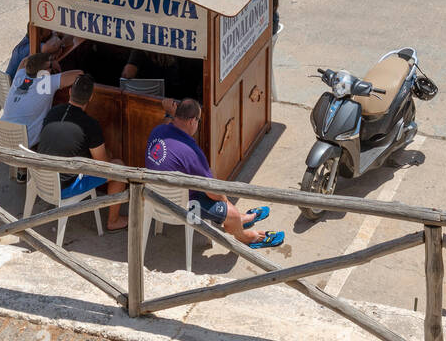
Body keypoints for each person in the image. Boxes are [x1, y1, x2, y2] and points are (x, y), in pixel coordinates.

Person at [145, 99, 284, 249]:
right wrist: (227, 205)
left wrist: (169, 114)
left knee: (212, 179)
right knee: (230, 213)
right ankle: (246, 237)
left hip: (153, 196)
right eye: (199, 120)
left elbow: (167, 122)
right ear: (192, 121)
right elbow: (213, 193)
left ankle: (243, 218)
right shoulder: (191, 152)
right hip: (179, 204)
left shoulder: (158, 131)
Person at [36, 73, 127, 230]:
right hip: (63, 188)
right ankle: (113, 221)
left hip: (40, 178)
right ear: (91, 97)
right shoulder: (90, 125)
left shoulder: (54, 112)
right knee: (119, 168)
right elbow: (104, 165)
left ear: (70, 92)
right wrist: (110, 156)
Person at [0, 51, 79, 147]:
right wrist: (52, 64)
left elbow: (24, 61)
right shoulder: (47, 83)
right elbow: (79, 74)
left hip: (0, 137)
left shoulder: (19, 75)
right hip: (21, 146)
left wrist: (46, 63)